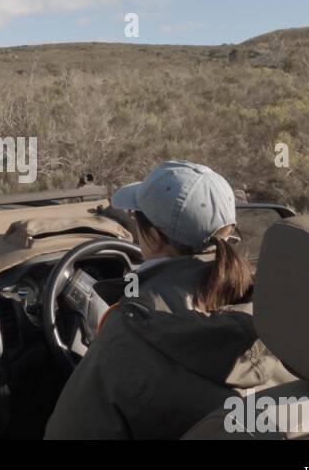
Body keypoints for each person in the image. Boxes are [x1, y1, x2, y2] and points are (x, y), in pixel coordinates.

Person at [44, 160, 288, 439]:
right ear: (229, 230)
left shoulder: (128, 334)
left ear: (154, 237)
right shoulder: (280, 311)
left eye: (135, 216)